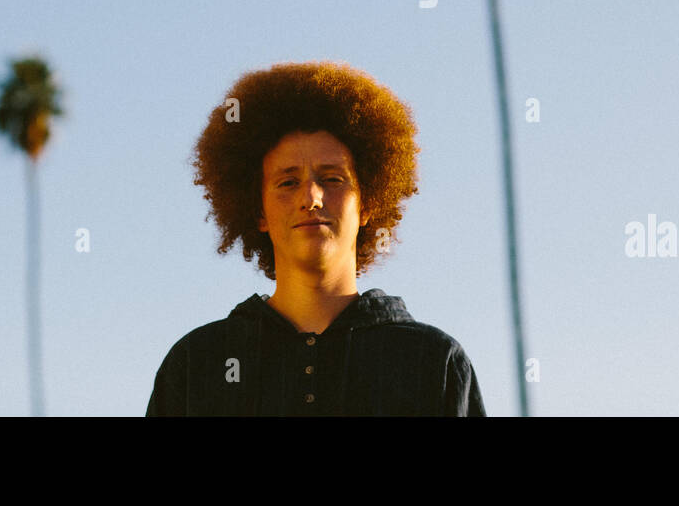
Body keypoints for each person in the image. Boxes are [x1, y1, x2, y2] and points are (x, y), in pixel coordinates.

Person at [145, 61, 485, 416]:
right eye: (288, 182)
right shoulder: (197, 363)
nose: (311, 198)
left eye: (332, 179)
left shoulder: (433, 362)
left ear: (367, 204)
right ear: (259, 212)